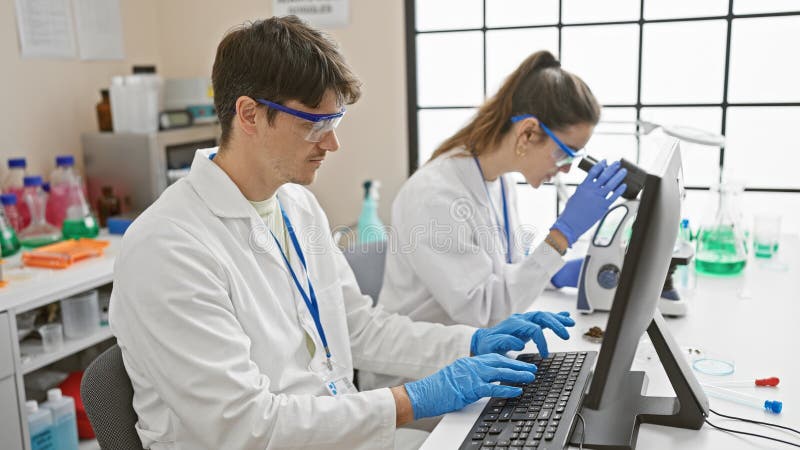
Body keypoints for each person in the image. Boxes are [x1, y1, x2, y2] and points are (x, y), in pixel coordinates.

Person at [109, 17, 576, 450]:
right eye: (315, 124)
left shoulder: (297, 206)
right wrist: (412, 400)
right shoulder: (168, 247)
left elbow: (358, 328)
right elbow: (244, 425)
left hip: (338, 433)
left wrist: (470, 344)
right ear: (249, 114)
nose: (332, 143)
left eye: (335, 121)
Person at [362, 50, 626, 389]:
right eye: (565, 153)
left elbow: (501, 272)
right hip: (419, 378)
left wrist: (553, 274)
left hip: (471, 362)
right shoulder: (435, 195)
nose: (565, 169)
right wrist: (562, 236)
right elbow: (484, 313)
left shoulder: (499, 181)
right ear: (528, 133)